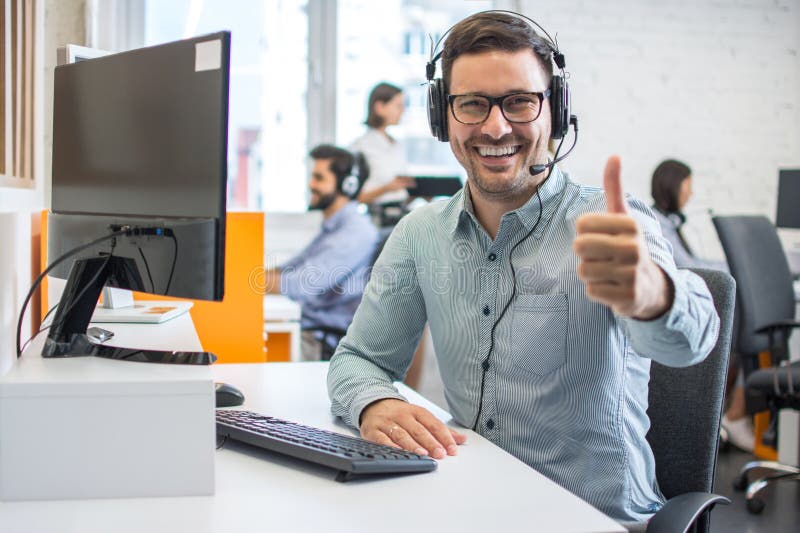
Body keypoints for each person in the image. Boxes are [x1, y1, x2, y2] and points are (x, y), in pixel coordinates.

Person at [327, 11, 719, 524]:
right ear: (442, 117)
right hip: (469, 508)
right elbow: (358, 359)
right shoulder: (420, 233)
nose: (495, 127)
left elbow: (690, 343)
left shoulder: (610, 224)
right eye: (472, 104)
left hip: (593, 519)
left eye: (519, 102)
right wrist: (375, 403)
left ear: (555, 110)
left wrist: (655, 298)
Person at [650, 159, 753, 452]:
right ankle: (734, 413)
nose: (691, 194)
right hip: (677, 320)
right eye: (688, 187)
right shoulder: (656, 224)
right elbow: (690, 267)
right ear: (673, 187)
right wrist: (739, 266)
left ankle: (733, 412)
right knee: (748, 323)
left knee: (747, 320)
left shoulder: (672, 223)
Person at [263, 145, 378, 360]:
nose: (311, 185)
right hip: (307, 328)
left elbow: (301, 284)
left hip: (320, 341)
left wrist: (245, 284)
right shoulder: (334, 227)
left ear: (347, 185)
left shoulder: (356, 232)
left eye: (319, 178)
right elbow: (289, 269)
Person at [350, 82, 416, 224]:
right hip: (378, 219)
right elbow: (354, 198)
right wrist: (387, 188)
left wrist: (416, 192)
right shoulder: (360, 147)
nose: (403, 111)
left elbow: (400, 192)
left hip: (403, 215)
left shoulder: (397, 145)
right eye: (398, 106)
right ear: (380, 107)